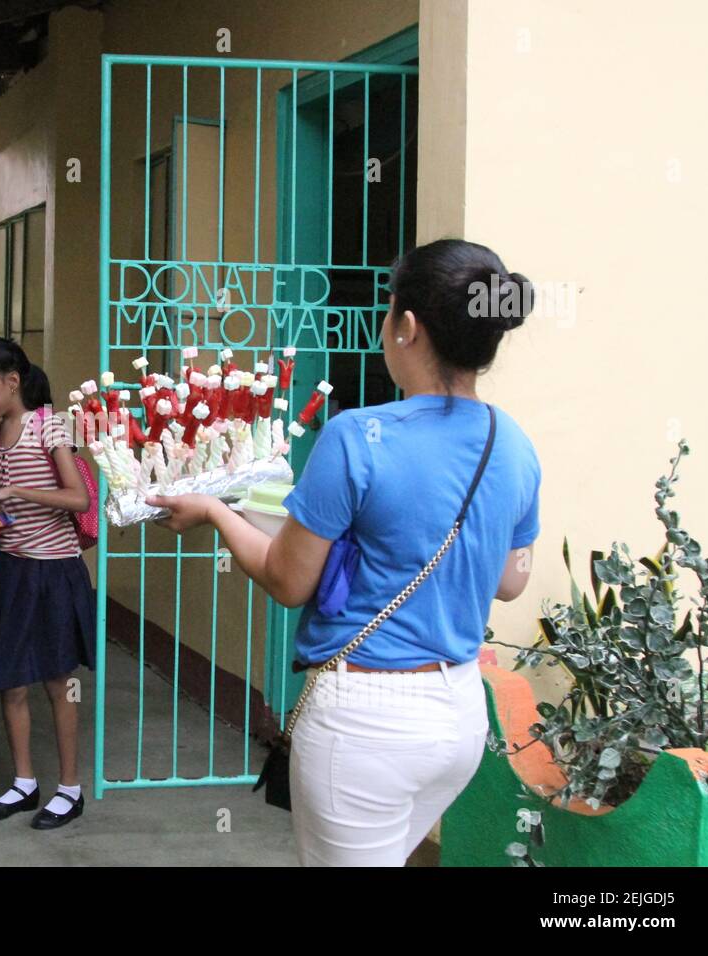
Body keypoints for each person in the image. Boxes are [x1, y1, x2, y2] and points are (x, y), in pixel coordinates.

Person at [149, 239, 542, 865]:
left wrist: (217, 512)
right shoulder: (513, 444)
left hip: (369, 724)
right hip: (462, 717)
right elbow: (510, 582)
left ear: (407, 327)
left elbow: (287, 581)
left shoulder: (357, 436)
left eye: (389, 311)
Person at [0, 335, 97, 830]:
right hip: (11, 570)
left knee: (59, 684)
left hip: (53, 572)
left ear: (12, 381)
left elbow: (79, 498)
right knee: (10, 682)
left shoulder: (49, 426)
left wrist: (16, 490)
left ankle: (69, 788)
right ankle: (23, 782)